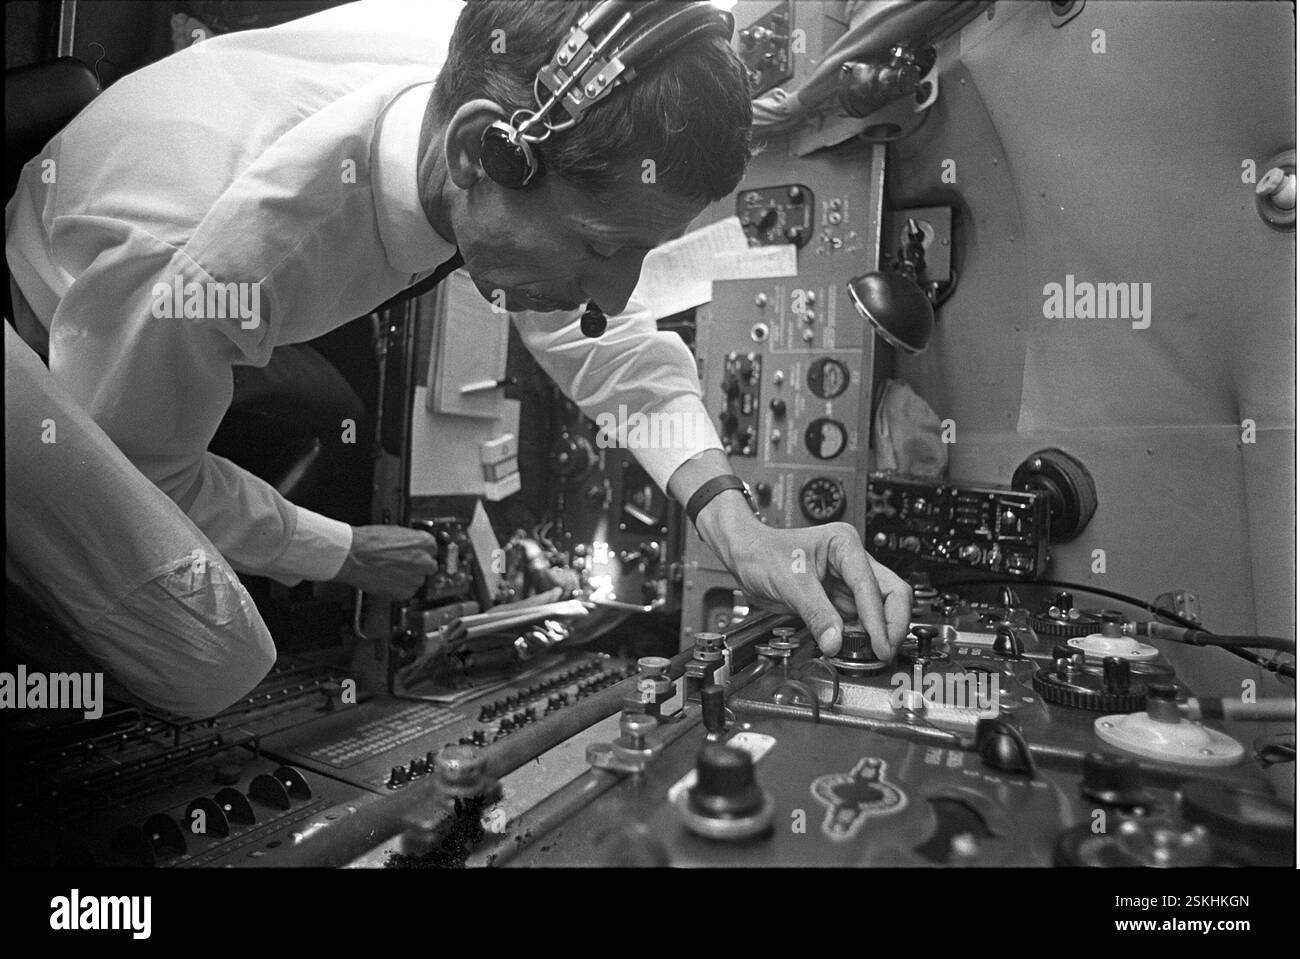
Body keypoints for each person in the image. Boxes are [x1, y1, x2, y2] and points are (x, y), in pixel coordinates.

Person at [5, 0, 911, 703]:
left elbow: (602, 338)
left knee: (337, 417)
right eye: (602, 248)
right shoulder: (232, 255)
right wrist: (346, 550)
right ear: (479, 150)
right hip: (61, 314)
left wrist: (737, 525)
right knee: (213, 658)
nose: (621, 294)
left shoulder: (529, 64)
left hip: (184, 285)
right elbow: (146, 478)